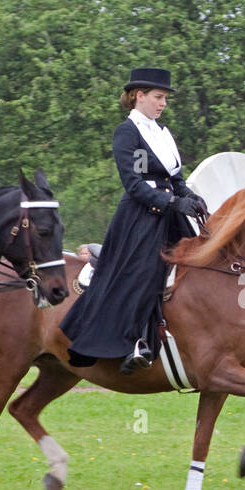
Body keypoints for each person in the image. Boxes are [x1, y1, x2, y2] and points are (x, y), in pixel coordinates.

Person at [62, 67, 207, 374]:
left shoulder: (162, 133)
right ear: (139, 96)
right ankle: (137, 341)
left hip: (171, 215)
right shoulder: (128, 132)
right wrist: (171, 201)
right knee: (146, 271)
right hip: (141, 217)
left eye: (165, 98)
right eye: (158, 97)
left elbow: (174, 178)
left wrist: (190, 197)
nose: (163, 103)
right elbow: (136, 184)